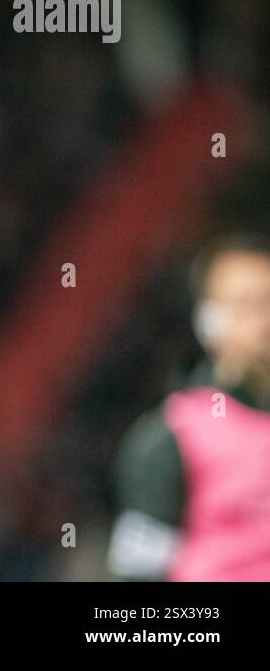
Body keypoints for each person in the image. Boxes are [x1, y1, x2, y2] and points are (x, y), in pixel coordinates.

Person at [106, 233, 270, 580]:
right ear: (208, 321)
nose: (263, 320)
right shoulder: (169, 438)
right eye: (247, 304)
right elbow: (139, 573)